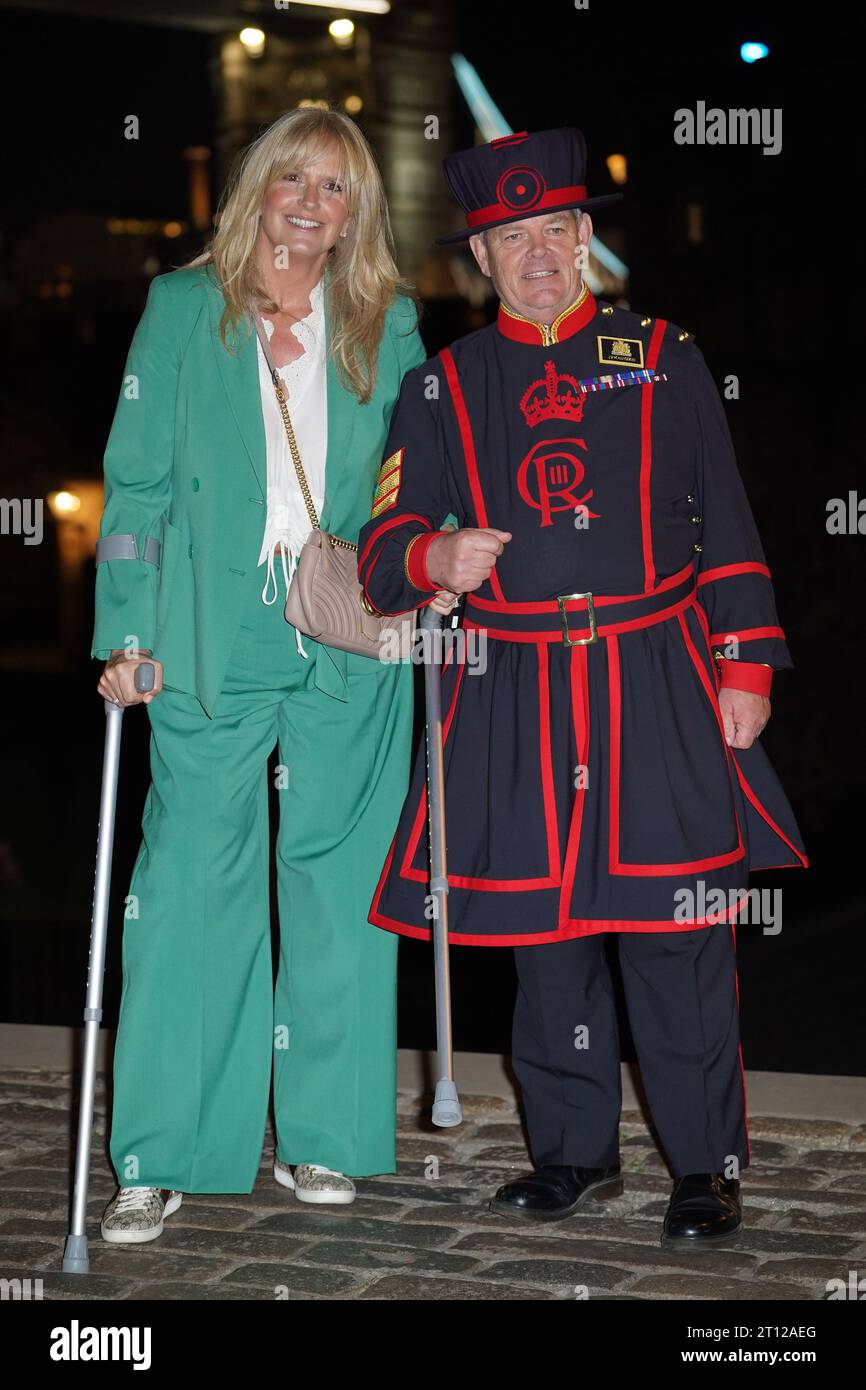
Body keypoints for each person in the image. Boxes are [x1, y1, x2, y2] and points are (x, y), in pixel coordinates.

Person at [357, 128, 807, 1248]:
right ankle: (571, 1151)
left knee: (675, 927)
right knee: (542, 934)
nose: (535, 255)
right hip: (510, 685)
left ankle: (703, 1164)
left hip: (653, 671)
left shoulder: (661, 353)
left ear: (584, 239)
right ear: (480, 257)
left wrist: (742, 660)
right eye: (509, 239)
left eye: (552, 231)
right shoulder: (440, 381)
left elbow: (725, 518)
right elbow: (382, 543)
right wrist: (429, 557)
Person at [90, 108, 452, 1244]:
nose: (311, 201)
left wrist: (430, 555)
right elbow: (137, 490)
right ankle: (164, 1149)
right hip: (208, 626)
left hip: (341, 625)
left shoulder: (385, 319)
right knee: (191, 879)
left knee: (341, 882)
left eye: (335, 189)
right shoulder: (181, 309)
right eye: (293, 178)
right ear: (255, 188)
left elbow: (417, 472)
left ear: (356, 214)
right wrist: (123, 631)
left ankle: (325, 1139)